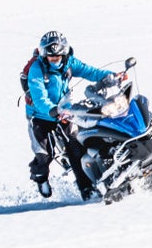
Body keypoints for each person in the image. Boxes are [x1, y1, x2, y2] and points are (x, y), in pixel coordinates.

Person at [25, 30, 120, 199]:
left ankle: (87, 189)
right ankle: (40, 177)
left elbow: (90, 72)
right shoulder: (36, 69)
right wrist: (53, 110)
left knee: (76, 149)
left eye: (57, 57)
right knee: (44, 155)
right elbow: (39, 97)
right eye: (50, 57)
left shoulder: (69, 63)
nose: (54, 60)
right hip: (40, 116)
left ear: (64, 54)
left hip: (65, 112)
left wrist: (110, 76)